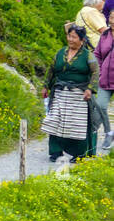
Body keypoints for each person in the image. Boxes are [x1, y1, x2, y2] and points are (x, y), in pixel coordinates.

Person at [41, 23, 99, 163]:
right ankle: (55, 152)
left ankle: (79, 154)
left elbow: (95, 72)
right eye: (69, 36)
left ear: (82, 39)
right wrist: (45, 86)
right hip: (60, 93)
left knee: (76, 125)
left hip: (79, 95)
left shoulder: (87, 55)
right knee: (55, 120)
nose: (71, 39)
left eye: (74, 37)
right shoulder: (61, 52)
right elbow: (52, 70)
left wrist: (90, 89)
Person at [98, 24, 114, 151]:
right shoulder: (104, 35)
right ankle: (108, 132)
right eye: (112, 17)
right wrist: (98, 71)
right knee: (100, 105)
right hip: (105, 79)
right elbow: (97, 54)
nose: (113, 20)